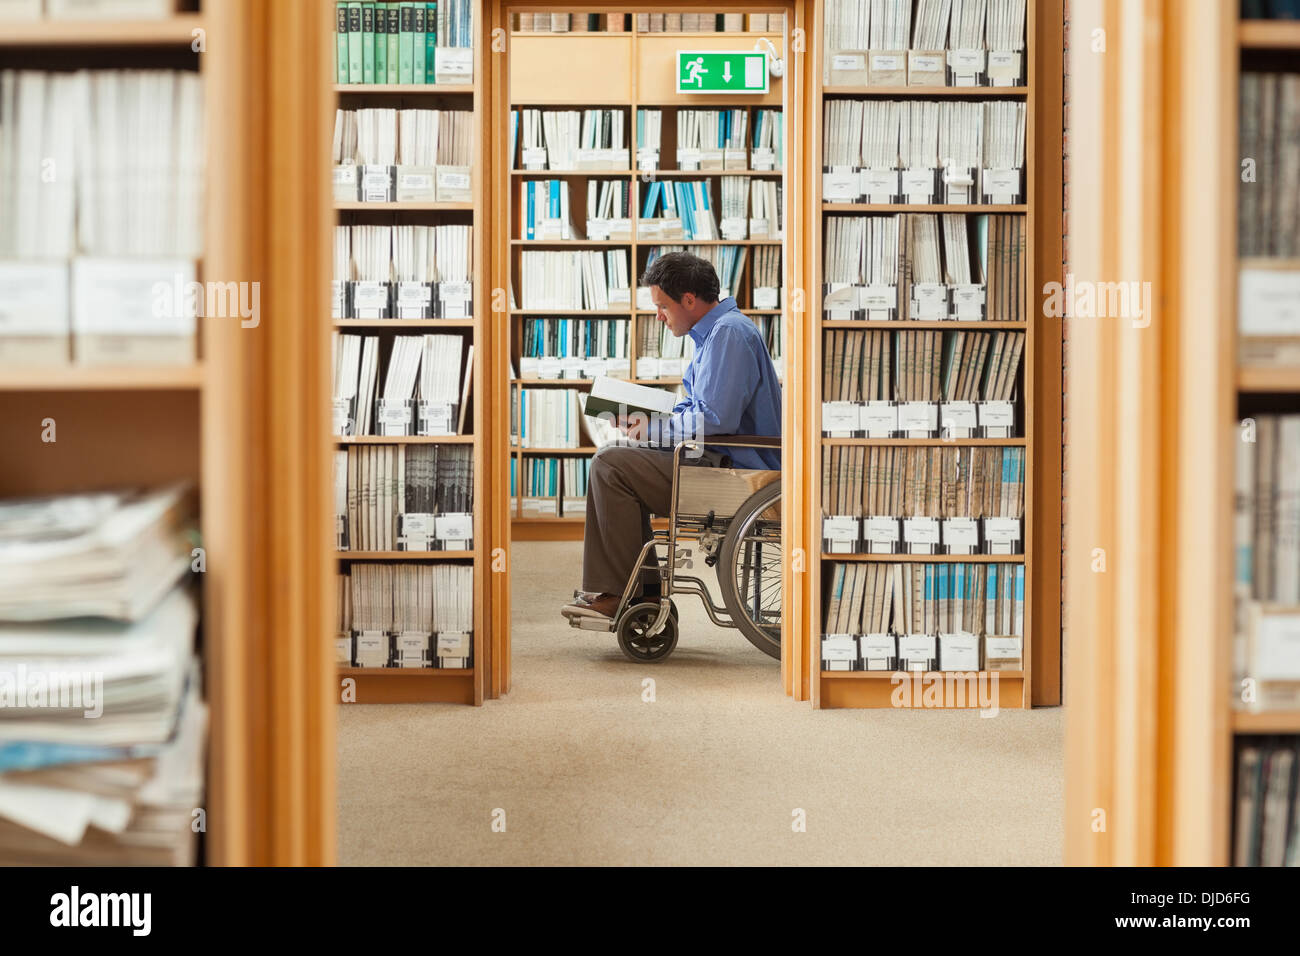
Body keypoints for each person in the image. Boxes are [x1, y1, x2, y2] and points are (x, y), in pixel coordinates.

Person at [561, 251, 782, 622]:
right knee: (615, 457)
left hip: (737, 472)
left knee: (611, 464)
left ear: (690, 300)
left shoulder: (727, 333)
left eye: (663, 306)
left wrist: (654, 430)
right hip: (719, 460)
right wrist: (651, 418)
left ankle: (626, 594)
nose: (658, 316)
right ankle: (634, 591)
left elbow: (716, 418)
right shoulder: (718, 331)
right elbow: (703, 408)